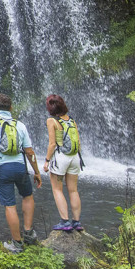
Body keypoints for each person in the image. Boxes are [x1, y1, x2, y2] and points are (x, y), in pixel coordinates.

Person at [0, 93, 42, 252]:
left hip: (2, 168)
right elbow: (30, 151)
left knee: (10, 205)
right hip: (20, 166)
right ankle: (28, 233)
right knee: (27, 196)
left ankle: (17, 243)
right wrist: (37, 172)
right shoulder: (19, 125)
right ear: (11, 108)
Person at [43, 94, 84, 232]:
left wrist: (47, 161)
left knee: (57, 189)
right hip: (75, 157)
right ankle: (76, 222)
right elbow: (78, 142)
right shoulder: (71, 120)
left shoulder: (52, 121)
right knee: (73, 190)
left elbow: (53, 144)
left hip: (61, 158)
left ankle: (65, 221)